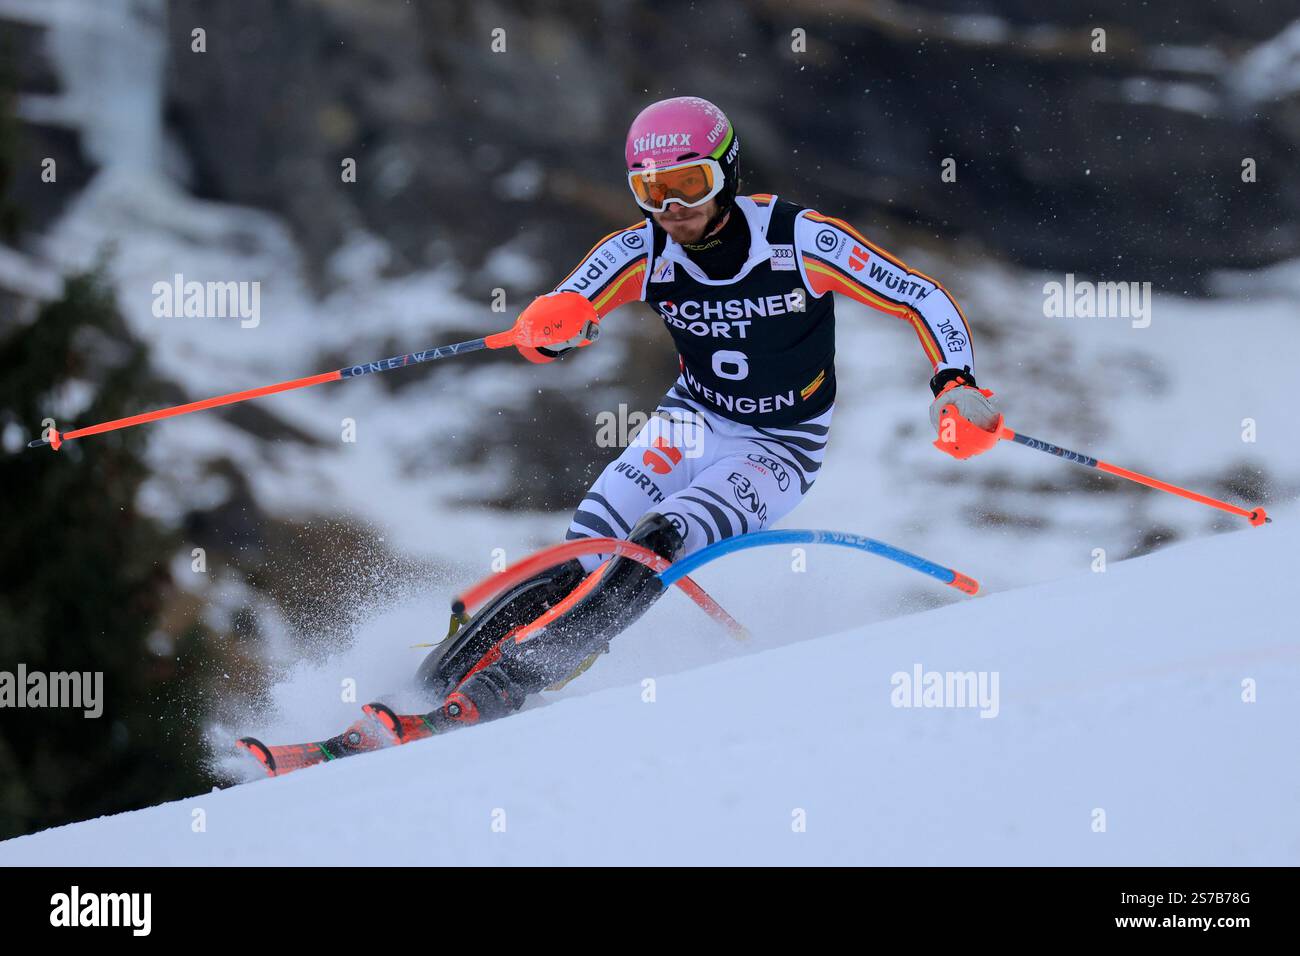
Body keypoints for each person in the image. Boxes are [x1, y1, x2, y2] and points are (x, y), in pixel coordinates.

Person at [416, 95, 1000, 727]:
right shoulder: (642, 249)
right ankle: (426, 689)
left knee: (659, 539)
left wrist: (955, 383)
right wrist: (548, 326)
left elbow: (919, 296)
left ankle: (511, 684)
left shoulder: (797, 238)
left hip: (778, 446)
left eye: (690, 184)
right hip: (692, 419)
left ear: (728, 174)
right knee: (585, 553)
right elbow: (567, 305)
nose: (672, 208)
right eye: (651, 189)